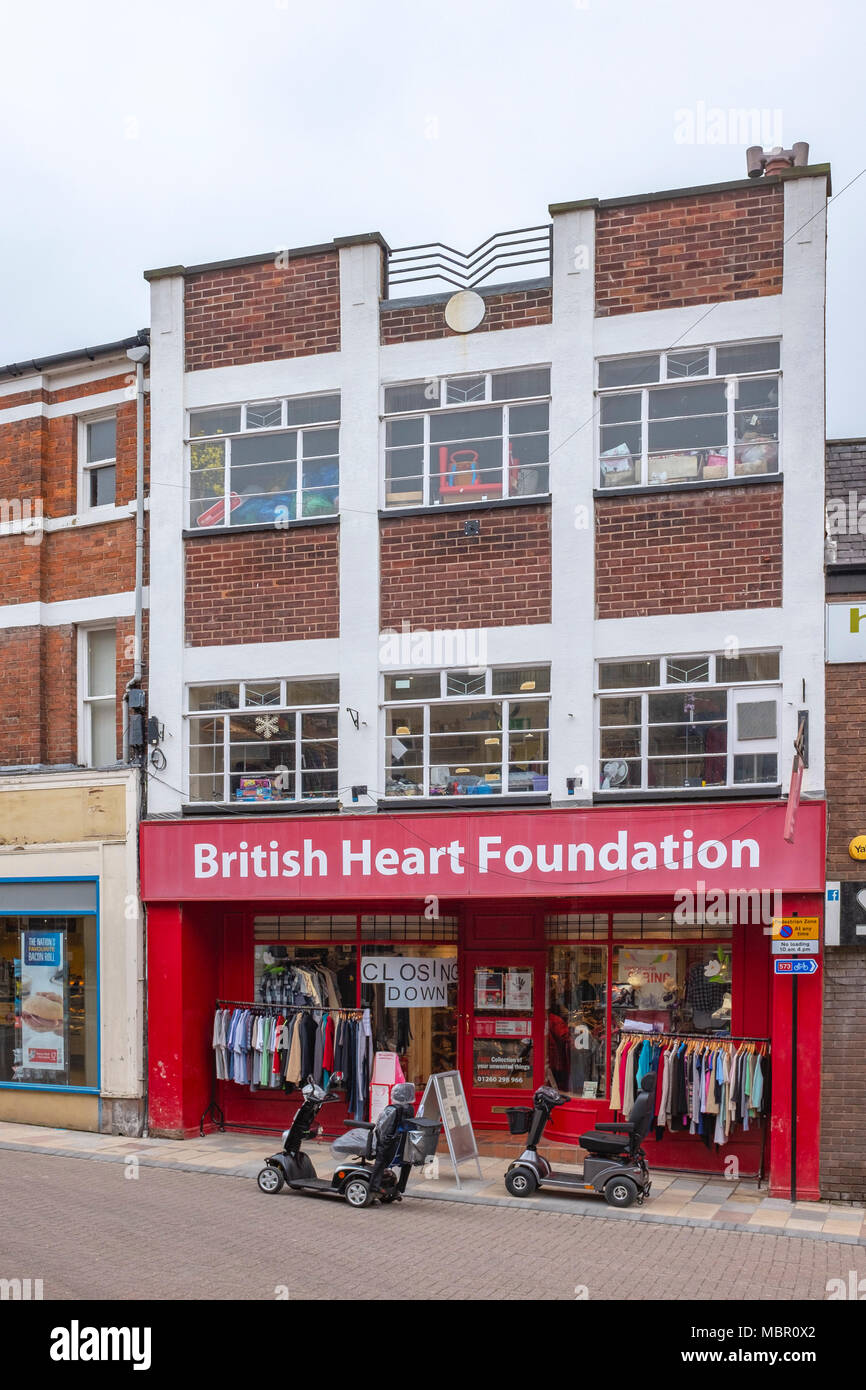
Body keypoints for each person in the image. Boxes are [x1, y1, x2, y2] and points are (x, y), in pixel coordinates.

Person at [548, 1002, 570, 1092]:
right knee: (557, 1078)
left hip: (548, 1055)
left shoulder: (547, 1018)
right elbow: (564, 1036)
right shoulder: (555, 1020)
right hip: (555, 1056)